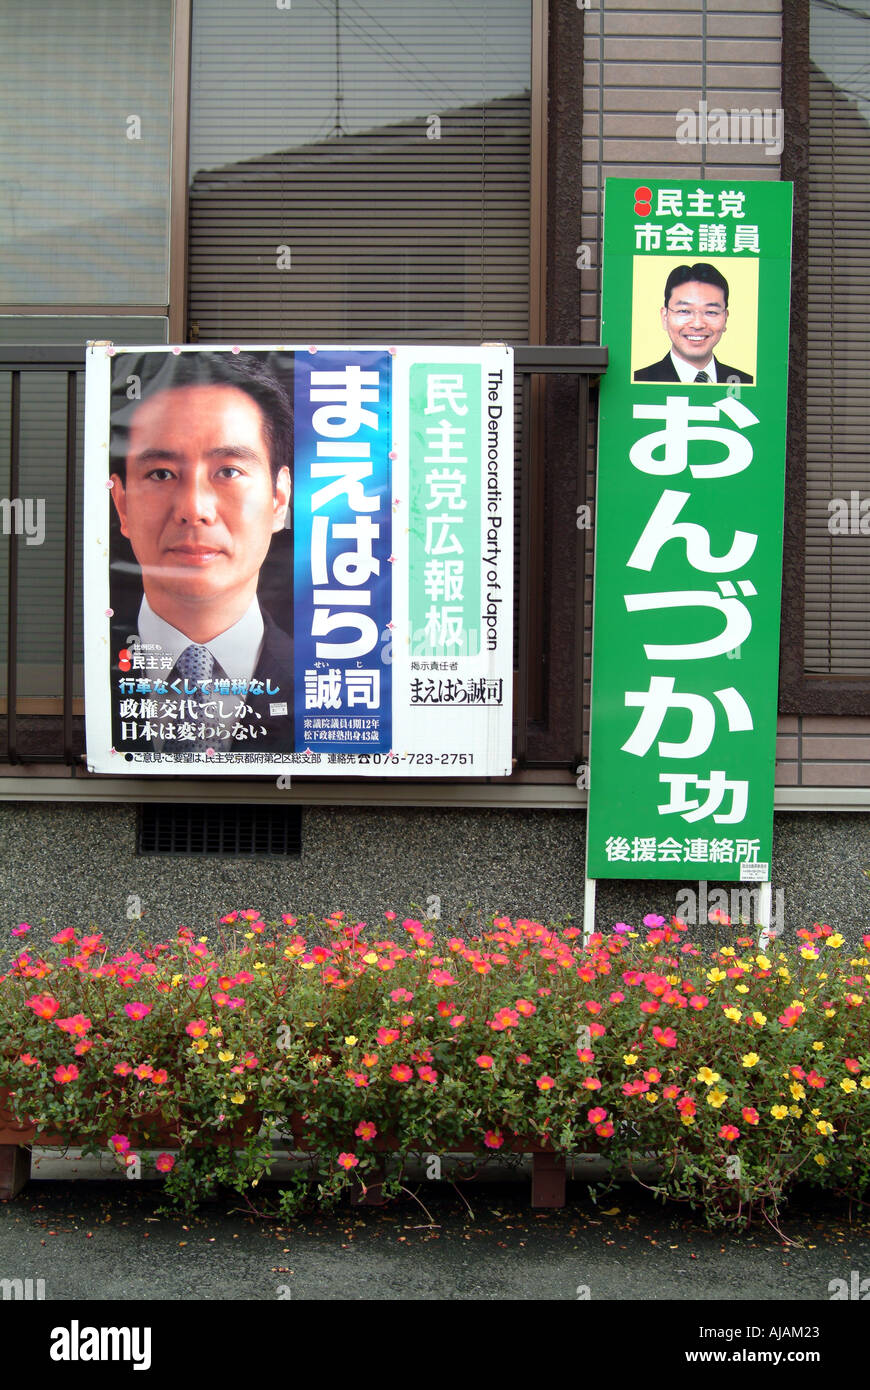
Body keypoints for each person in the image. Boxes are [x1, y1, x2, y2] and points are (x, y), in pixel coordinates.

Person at [108, 351, 294, 758]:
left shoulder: (326, 678)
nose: (194, 509)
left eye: (228, 471)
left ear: (279, 499)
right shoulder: (84, 670)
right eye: (161, 474)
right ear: (122, 505)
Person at [633, 263, 753, 384]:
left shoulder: (745, 382)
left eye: (711, 312)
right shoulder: (639, 381)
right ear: (665, 317)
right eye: (684, 311)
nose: (697, 324)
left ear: (725, 318)